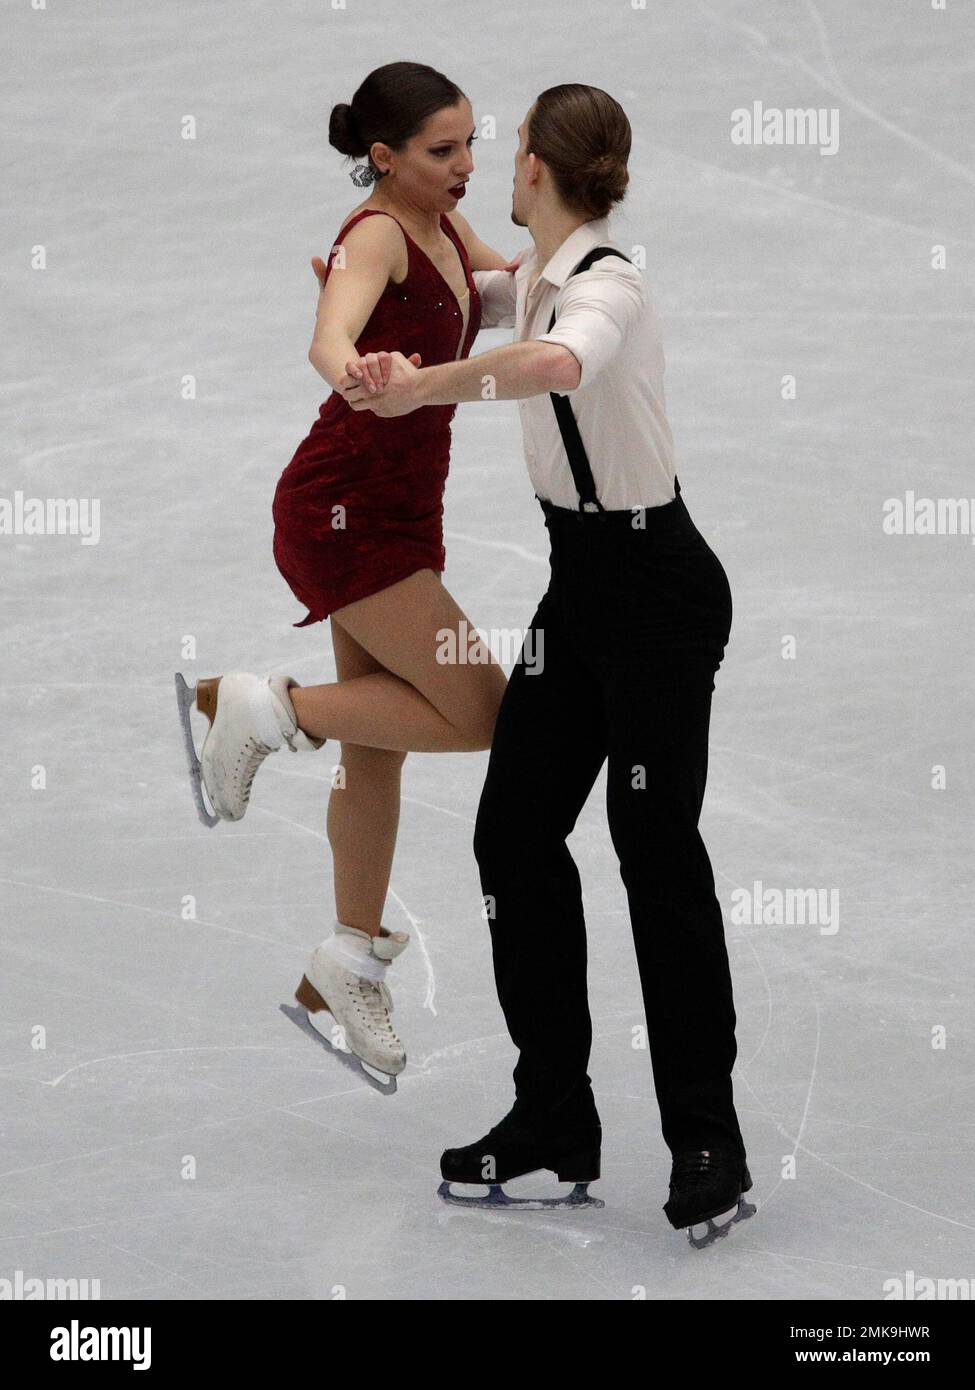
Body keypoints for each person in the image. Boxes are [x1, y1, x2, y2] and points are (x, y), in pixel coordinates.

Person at [341, 84, 754, 1242]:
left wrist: (423, 386)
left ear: (537, 171)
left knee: (650, 849)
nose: (494, 164)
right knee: (512, 831)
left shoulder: (605, 284)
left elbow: (557, 367)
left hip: (659, 598)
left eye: (506, 147)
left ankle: (706, 1141)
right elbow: (439, 281)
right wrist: (355, 309)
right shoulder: (525, 278)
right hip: (579, 591)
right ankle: (550, 1116)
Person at [175, 62, 538, 1086]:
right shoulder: (379, 233)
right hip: (341, 513)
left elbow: (498, 294)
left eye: (471, 144)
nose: (464, 165)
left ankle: (346, 956)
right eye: (440, 150)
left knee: (377, 743)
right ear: (382, 157)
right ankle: (259, 704)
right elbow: (328, 339)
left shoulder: (443, 223)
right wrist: (363, 375)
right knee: (479, 710)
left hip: (402, 510)